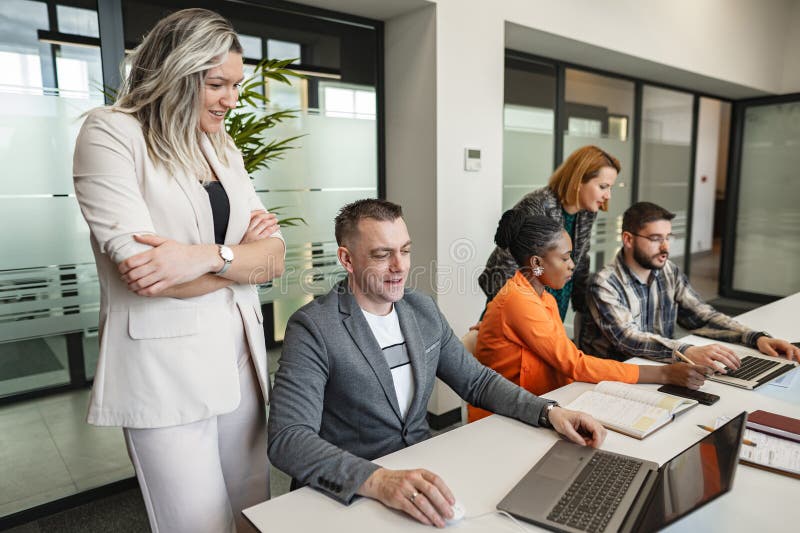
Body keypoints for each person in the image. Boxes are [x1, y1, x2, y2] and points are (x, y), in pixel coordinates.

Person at [267, 199, 607, 529]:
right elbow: (289, 438)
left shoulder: (422, 310)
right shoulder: (313, 327)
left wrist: (549, 412)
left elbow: (477, 382)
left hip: (423, 477)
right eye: (382, 254)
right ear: (347, 258)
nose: (399, 266)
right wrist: (378, 480)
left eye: (405, 250)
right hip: (352, 492)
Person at [72, 9, 285, 533]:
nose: (230, 100)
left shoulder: (222, 147)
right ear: (174, 72)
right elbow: (144, 274)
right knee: (197, 525)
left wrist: (203, 256)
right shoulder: (111, 134)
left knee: (251, 513)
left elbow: (275, 258)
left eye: (235, 85)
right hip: (164, 373)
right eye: (216, 84)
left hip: (241, 360)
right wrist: (239, 256)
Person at [467, 211, 706, 422]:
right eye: (564, 258)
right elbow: (574, 363)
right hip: (504, 418)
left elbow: (566, 358)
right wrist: (663, 373)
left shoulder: (542, 297)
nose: (572, 265)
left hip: (540, 403)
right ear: (537, 263)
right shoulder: (518, 301)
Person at [581, 201, 800, 365]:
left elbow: (700, 315)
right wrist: (685, 351)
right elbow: (628, 340)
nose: (666, 247)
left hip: (660, 368)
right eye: (656, 239)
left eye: (669, 237)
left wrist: (755, 338)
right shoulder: (604, 283)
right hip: (615, 378)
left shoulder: (668, 270)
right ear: (628, 239)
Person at [479, 145, 620, 322]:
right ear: (578, 181)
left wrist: (584, 309)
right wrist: (527, 307)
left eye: (610, 188)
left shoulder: (587, 212)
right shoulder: (538, 205)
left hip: (553, 303)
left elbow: (581, 260)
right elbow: (506, 264)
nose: (608, 196)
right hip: (519, 311)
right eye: (603, 186)